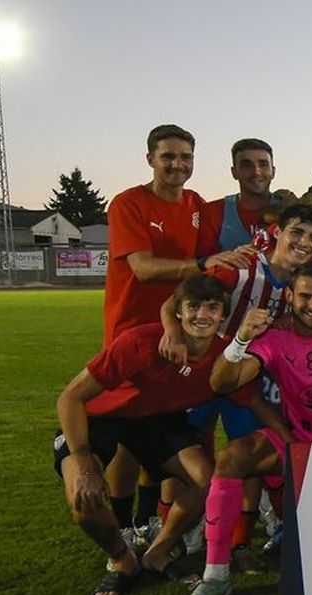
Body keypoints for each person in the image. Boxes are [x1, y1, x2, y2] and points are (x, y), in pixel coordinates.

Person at [168, 262, 312, 595]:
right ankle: (215, 575)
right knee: (233, 457)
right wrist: (241, 338)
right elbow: (221, 384)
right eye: (304, 295)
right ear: (289, 295)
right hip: (299, 439)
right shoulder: (274, 335)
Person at [102, 124, 249, 556]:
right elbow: (145, 269)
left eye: (185, 157)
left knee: (164, 425)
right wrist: (204, 262)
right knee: (130, 434)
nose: (177, 165)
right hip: (132, 333)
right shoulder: (129, 203)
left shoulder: (197, 206)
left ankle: (150, 515)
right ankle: (123, 522)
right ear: (150, 159)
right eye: (168, 156)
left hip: (185, 333)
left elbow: (210, 266)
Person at [55, 276, 246, 595]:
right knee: (83, 498)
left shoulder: (221, 355)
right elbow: (70, 398)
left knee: (209, 481)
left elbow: (251, 398)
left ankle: (158, 552)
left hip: (156, 420)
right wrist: (85, 461)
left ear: (222, 314)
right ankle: (122, 559)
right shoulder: (141, 341)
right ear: (179, 312)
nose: (202, 315)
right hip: (103, 416)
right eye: (194, 306)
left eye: (212, 308)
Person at [200, 138, 288, 252]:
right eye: (247, 165)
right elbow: (204, 264)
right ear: (234, 172)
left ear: (273, 171)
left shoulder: (290, 209)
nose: (256, 172)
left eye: (263, 164)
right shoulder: (213, 212)